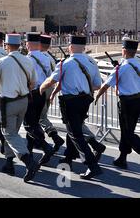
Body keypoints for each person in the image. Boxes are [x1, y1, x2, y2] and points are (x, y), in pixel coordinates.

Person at [40, 35, 103, 180]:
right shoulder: (91, 61)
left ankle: (92, 165)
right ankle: (69, 157)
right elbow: (97, 85)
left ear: (71, 47)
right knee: (73, 129)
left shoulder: (66, 63)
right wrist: (83, 90)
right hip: (85, 100)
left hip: (71, 102)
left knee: (76, 133)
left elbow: (52, 80)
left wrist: (41, 89)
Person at [0, 34, 40, 182]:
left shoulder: (2, 62)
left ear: (6, 46)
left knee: (9, 133)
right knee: (12, 132)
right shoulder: (27, 61)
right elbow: (33, 83)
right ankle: (9, 162)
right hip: (24, 101)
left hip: (9, 102)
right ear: (20, 45)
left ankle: (28, 161)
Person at [95, 39, 140, 169]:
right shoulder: (137, 64)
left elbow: (106, 85)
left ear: (124, 51)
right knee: (127, 130)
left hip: (127, 102)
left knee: (127, 132)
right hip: (138, 101)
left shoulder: (123, 67)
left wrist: (97, 96)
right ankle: (122, 158)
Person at [24, 33, 55, 166]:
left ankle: (45, 146)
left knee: (28, 124)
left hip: (30, 94)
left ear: (29, 44)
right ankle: (29, 151)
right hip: (41, 92)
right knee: (34, 123)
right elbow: (49, 77)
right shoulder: (46, 58)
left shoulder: (26, 59)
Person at [39, 35, 65, 151]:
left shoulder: (38, 57)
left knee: (39, 117)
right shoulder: (50, 57)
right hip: (50, 88)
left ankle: (54, 137)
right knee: (42, 115)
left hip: (41, 88)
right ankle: (40, 138)